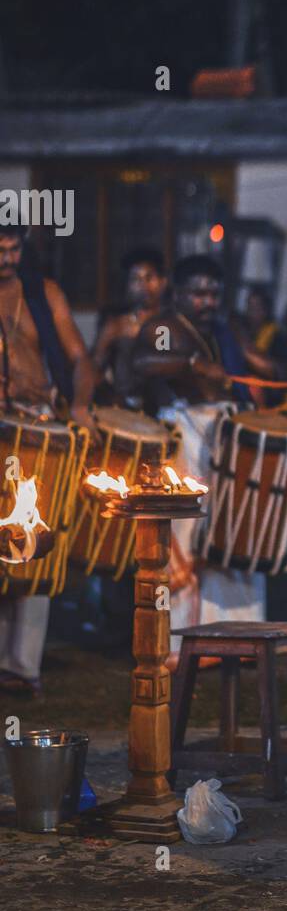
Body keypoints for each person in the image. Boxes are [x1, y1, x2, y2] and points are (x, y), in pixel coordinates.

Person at [131, 254, 263, 663]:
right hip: (183, 438)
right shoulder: (163, 327)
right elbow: (142, 364)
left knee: (232, 528)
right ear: (179, 293)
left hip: (227, 437)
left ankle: (236, 639)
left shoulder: (226, 330)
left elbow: (256, 362)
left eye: (213, 293)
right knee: (186, 537)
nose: (207, 301)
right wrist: (191, 364)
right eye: (198, 293)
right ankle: (181, 644)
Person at [0, 227, 97, 696]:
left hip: (36, 429)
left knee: (32, 540)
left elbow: (79, 358)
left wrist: (79, 405)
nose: (7, 257)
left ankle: (22, 666)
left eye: (14, 248)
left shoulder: (43, 293)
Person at [91, 246, 168, 407]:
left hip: (166, 409)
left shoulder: (171, 324)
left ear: (163, 282)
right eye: (136, 279)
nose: (143, 285)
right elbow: (94, 369)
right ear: (128, 285)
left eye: (149, 277)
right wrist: (110, 395)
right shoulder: (117, 325)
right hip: (125, 408)